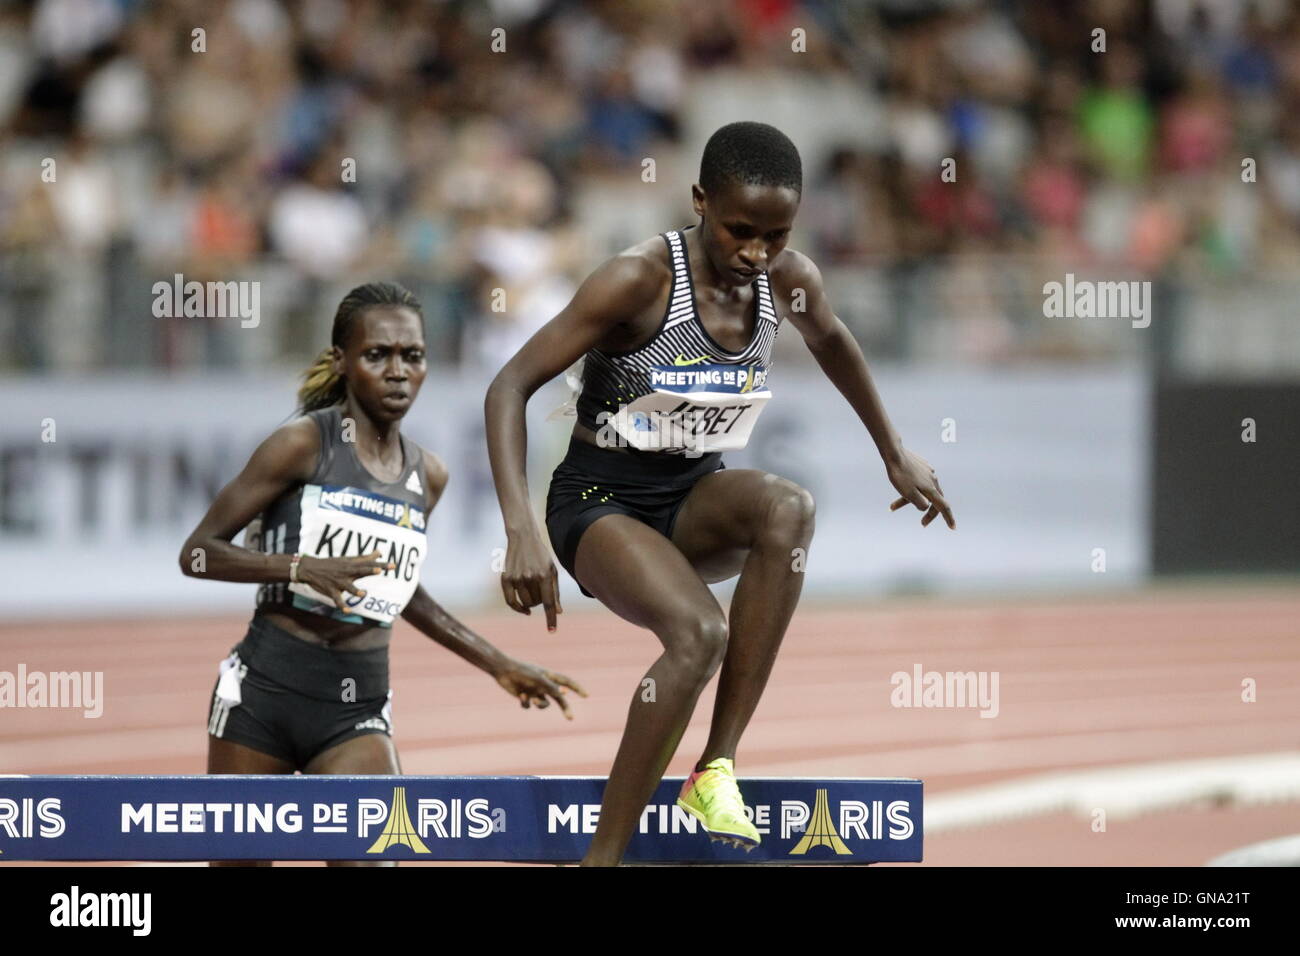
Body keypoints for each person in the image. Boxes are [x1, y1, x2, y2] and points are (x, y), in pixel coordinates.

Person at [484, 122, 954, 866]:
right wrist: (520, 527)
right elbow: (509, 385)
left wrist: (893, 449)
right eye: (740, 231)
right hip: (599, 499)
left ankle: (716, 767)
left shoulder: (789, 279)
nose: (756, 253)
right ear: (700, 200)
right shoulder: (638, 280)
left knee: (788, 507)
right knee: (699, 635)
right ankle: (602, 860)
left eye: (776, 235)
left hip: (691, 496)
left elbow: (832, 340)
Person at [181, 281, 584, 867]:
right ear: (343, 362)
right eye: (378, 355)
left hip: (355, 709)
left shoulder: (429, 475)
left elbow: (397, 590)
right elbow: (197, 553)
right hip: (261, 698)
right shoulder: (300, 445)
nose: (398, 372)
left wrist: (496, 661)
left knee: (375, 859)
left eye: (412, 356)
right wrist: (298, 567)